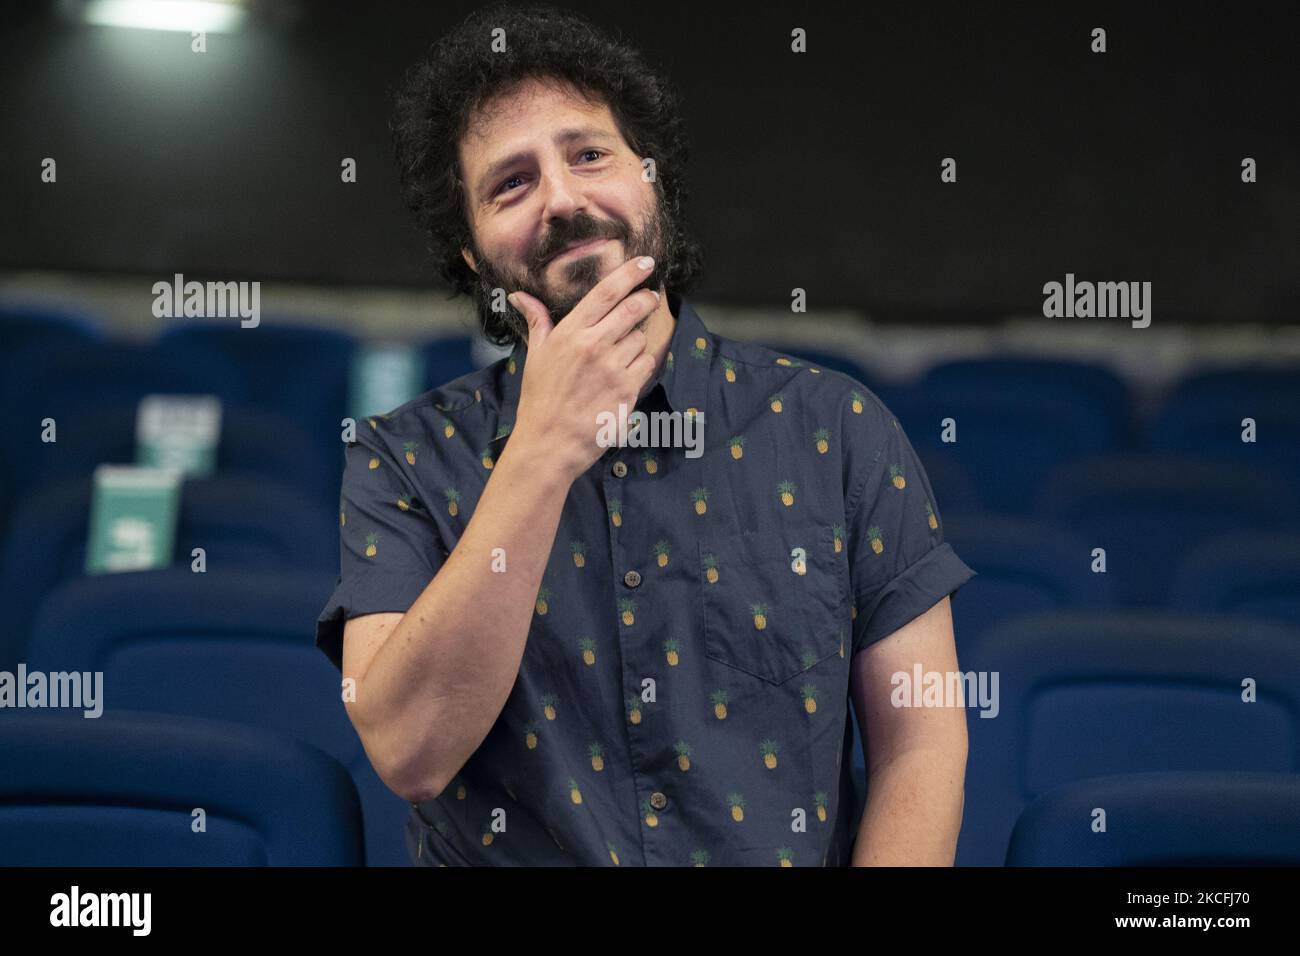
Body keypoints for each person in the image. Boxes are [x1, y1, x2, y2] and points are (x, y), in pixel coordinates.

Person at [316, 2, 976, 866]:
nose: (562, 198)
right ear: (473, 254)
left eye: (590, 154)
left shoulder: (838, 429)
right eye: (510, 183)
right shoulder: (400, 459)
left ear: (651, 179)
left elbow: (918, 747)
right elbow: (409, 750)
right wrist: (544, 448)